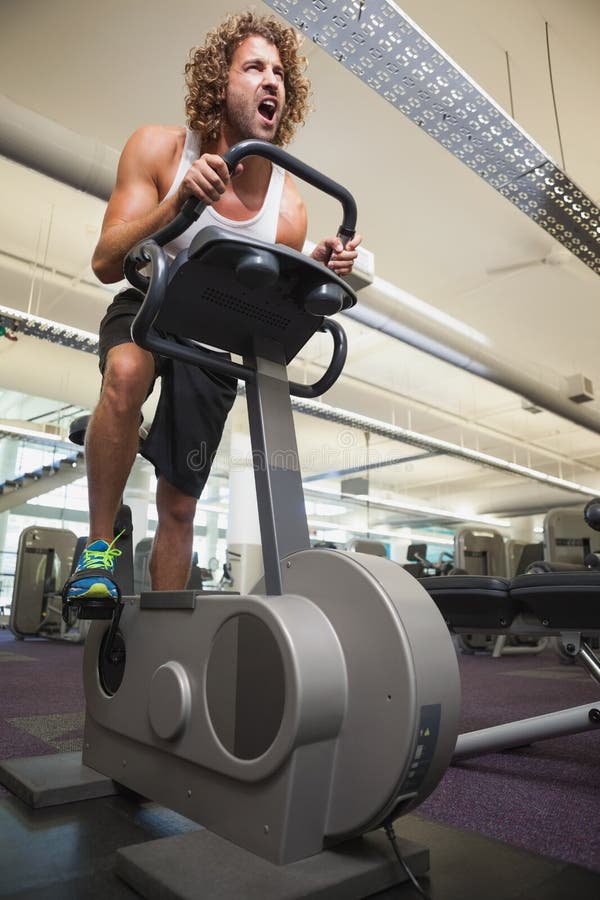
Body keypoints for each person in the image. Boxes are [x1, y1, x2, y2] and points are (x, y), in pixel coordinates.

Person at [66, 10, 361, 609]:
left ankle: (166, 633)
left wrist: (316, 265)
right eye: (254, 67)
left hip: (212, 331)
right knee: (125, 375)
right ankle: (98, 554)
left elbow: (274, 299)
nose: (271, 80)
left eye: (279, 73)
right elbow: (104, 260)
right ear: (219, 83)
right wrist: (179, 201)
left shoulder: (289, 209)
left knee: (179, 503)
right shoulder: (160, 148)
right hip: (148, 301)